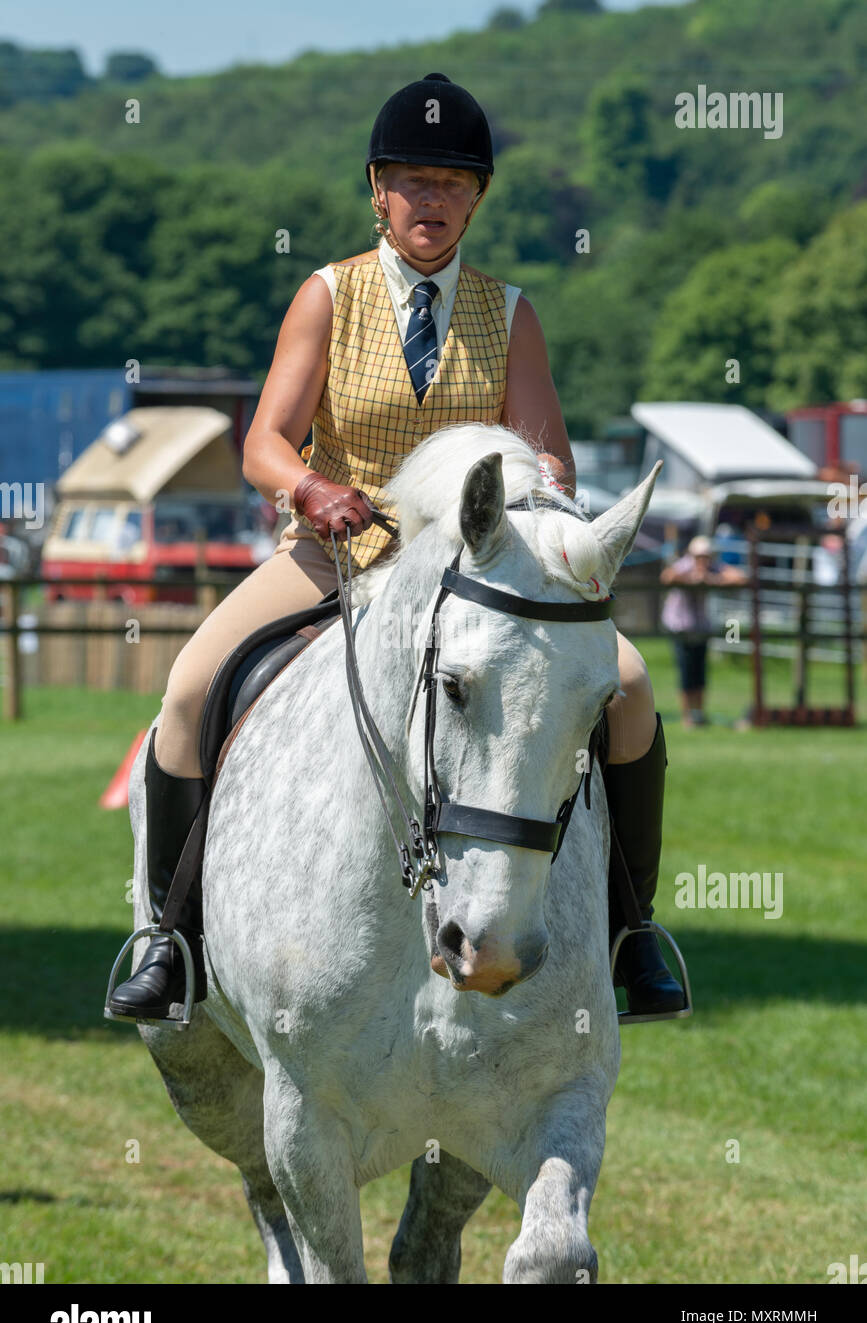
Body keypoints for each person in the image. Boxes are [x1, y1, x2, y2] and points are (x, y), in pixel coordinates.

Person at [107, 72, 685, 1023]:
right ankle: (172, 939)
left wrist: (535, 497)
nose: (432, 199)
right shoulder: (328, 295)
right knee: (187, 690)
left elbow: (549, 460)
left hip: (471, 573)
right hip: (334, 553)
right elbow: (263, 441)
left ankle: (633, 933)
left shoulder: (509, 313)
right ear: (378, 190)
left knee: (627, 688)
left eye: (452, 183)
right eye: (413, 180)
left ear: (478, 197)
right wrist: (309, 489)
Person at [661, 535, 746, 726]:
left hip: (700, 627)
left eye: (706, 556)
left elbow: (739, 577)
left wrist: (712, 579)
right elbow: (667, 577)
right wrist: (692, 579)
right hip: (680, 627)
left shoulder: (713, 567)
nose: (703, 560)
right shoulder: (684, 565)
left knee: (699, 672)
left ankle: (698, 714)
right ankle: (687, 716)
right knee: (686, 672)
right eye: (700, 556)